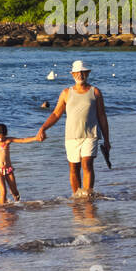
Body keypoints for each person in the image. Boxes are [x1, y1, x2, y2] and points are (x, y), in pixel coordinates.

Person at [36, 59, 110, 197]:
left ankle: (87, 195)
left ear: (87, 73)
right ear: (73, 74)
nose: (80, 75)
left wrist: (107, 140)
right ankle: (77, 196)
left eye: (83, 72)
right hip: (71, 136)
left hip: (90, 135)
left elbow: (102, 116)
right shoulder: (66, 93)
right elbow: (56, 114)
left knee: (87, 164)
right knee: (74, 168)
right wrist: (43, 128)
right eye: (77, 73)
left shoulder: (95, 92)